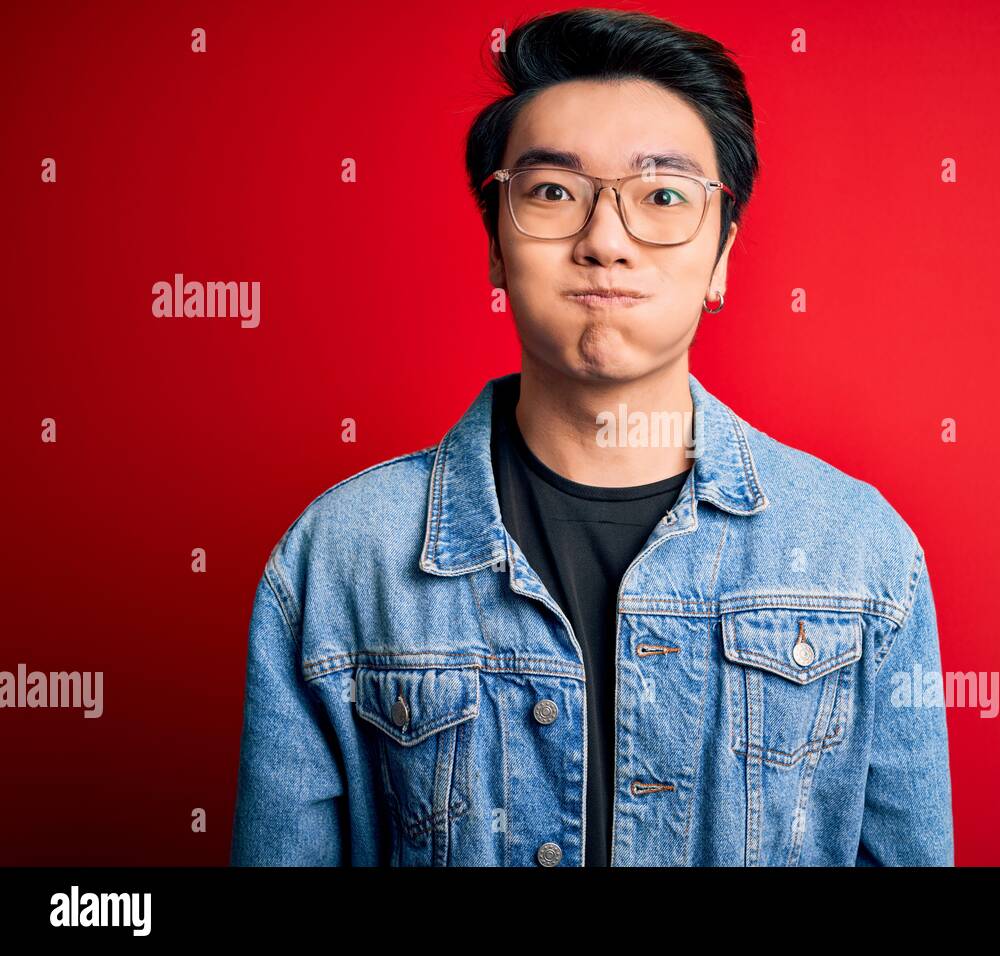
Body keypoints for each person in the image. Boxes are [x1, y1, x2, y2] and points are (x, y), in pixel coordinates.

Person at [230, 6, 953, 867]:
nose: (605, 241)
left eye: (663, 197)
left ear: (722, 254)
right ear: (497, 245)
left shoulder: (859, 552)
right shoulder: (340, 558)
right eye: (552, 193)